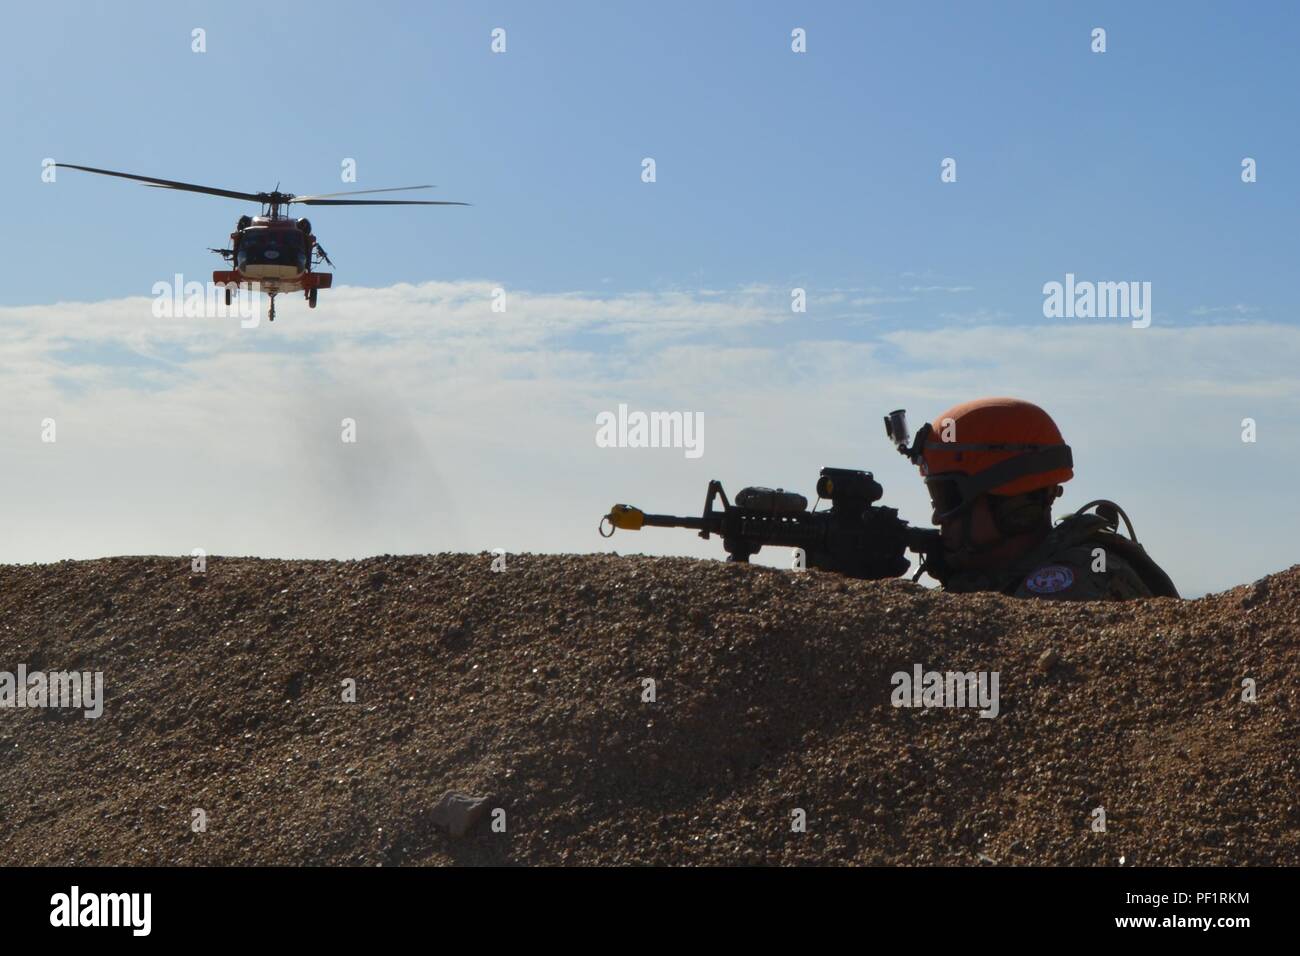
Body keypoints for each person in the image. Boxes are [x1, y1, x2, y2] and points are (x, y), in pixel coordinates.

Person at [895, 397, 1177, 600]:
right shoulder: (1008, 574)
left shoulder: (1070, 583)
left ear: (1013, 503)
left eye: (948, 498)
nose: (938, 518)